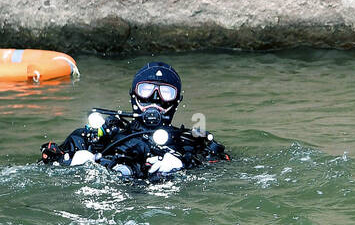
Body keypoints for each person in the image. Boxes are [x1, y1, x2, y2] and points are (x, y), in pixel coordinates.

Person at [39, 62, 230, 180]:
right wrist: (68, 162)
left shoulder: (189, 145)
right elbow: (45, 161)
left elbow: (224, 167)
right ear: (133, 95)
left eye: (166, 92)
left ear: (176, 101)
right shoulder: (100, 137)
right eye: (146, 90)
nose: (155, 99)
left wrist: (185, 166)